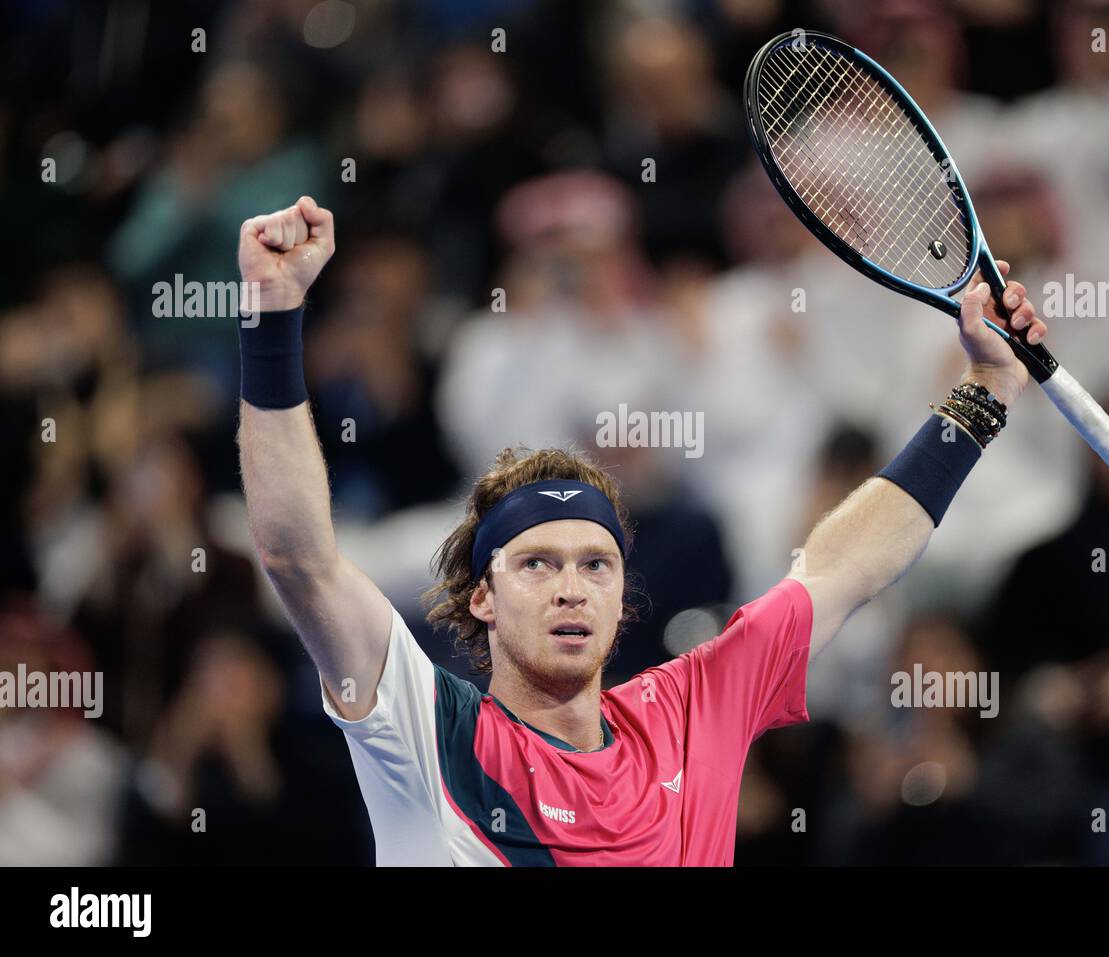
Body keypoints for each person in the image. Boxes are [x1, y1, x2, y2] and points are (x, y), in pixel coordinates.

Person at [233, 196, 1046, 866]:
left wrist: (985, 389)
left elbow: (843, 565)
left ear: (624, 599)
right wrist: (273, 318)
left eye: (596, 564)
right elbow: (299, 559)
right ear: (481, 596)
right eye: (538, 563)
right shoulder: (425, 727)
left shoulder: (692, 711)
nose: (571, 586)